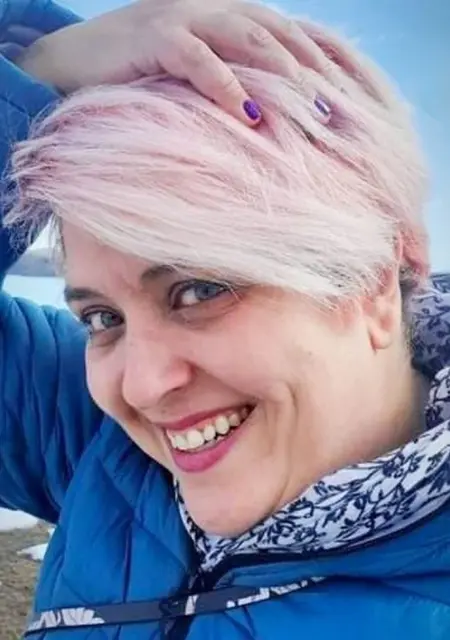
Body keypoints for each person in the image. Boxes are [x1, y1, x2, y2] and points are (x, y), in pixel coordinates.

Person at [1, 1, 450, 638]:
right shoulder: (99, 450)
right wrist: (38, 66)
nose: (142, 387)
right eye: (101, 317)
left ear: (376, 282)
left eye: (200, 290)